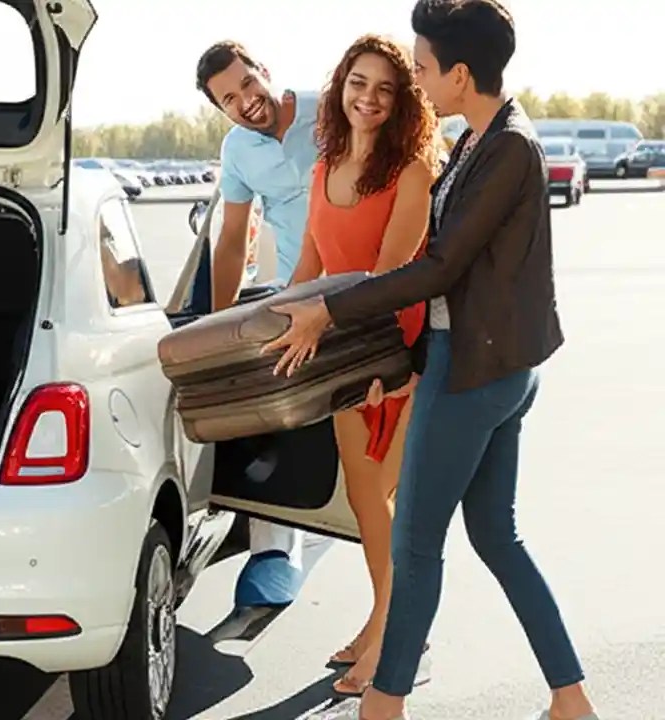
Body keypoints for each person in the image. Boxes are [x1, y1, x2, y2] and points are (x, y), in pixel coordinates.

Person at [266, 2, 599, 719]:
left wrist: (330, 311)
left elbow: (438, 268)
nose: (416, 81)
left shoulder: (508, 147)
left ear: (459, 72)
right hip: (491, 368)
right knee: (497, 539)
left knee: (415, 546)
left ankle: (383, 704)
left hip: (473, 372)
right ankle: (570, 699)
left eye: (419, 69)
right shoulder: (481, 140)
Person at [287, 35, 439, 695]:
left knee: (385, 501)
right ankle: (383, 618)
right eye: (358, 83)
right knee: (361, 500)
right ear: (340, 85)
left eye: (383, 88)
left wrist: (392, 365)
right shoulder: (322, 170)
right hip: (341, 358)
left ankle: (393, 636)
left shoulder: (412, 171)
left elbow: (393, 281)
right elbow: (308, 271)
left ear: (401, 100)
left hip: (394, 356)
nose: (368, 98)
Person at [194, 40, 324, 627]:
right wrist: (219, 325)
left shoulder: (330, 108)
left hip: (363, 285)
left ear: (265, 72)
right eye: (229, 98)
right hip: (293, 294)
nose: (245, 101)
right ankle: (273, 549)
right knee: (267, 408)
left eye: (248, 84)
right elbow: (231, 236)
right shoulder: (237, 150)